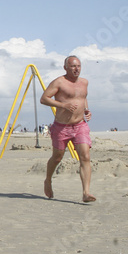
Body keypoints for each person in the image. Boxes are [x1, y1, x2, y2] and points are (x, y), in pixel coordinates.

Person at [40, 55, 95, 202]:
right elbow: (44, 98)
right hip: (61, 127)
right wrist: (63, 105)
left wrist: (87, 110)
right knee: (57, 157)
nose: (76, 69)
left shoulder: (84, 82)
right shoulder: (59, 82)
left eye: (78, 66)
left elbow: (83, 98)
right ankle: (48, 180)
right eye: (73, 66)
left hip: (80, 125)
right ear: (65, 67)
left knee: (85, 156)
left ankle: (86, 192)